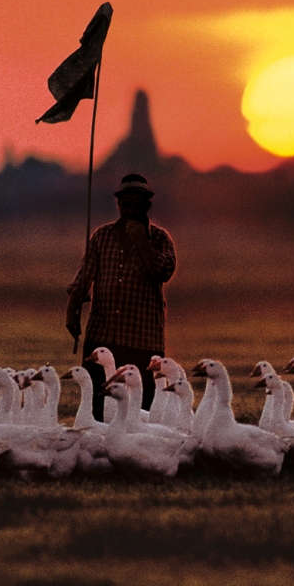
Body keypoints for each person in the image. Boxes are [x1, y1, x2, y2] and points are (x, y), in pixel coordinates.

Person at [66, 173, 177, 420]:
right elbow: (84, 275)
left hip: (143, 339)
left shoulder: (160, 238)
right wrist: (72, 310)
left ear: (148, 205)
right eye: (126, 204)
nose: (131, 210)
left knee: (141, 409)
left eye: (137, 204)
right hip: (102, 334)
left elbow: (163, 272)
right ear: (118, 204)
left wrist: (141, 241)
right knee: (97, 404)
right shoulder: (102, 236)